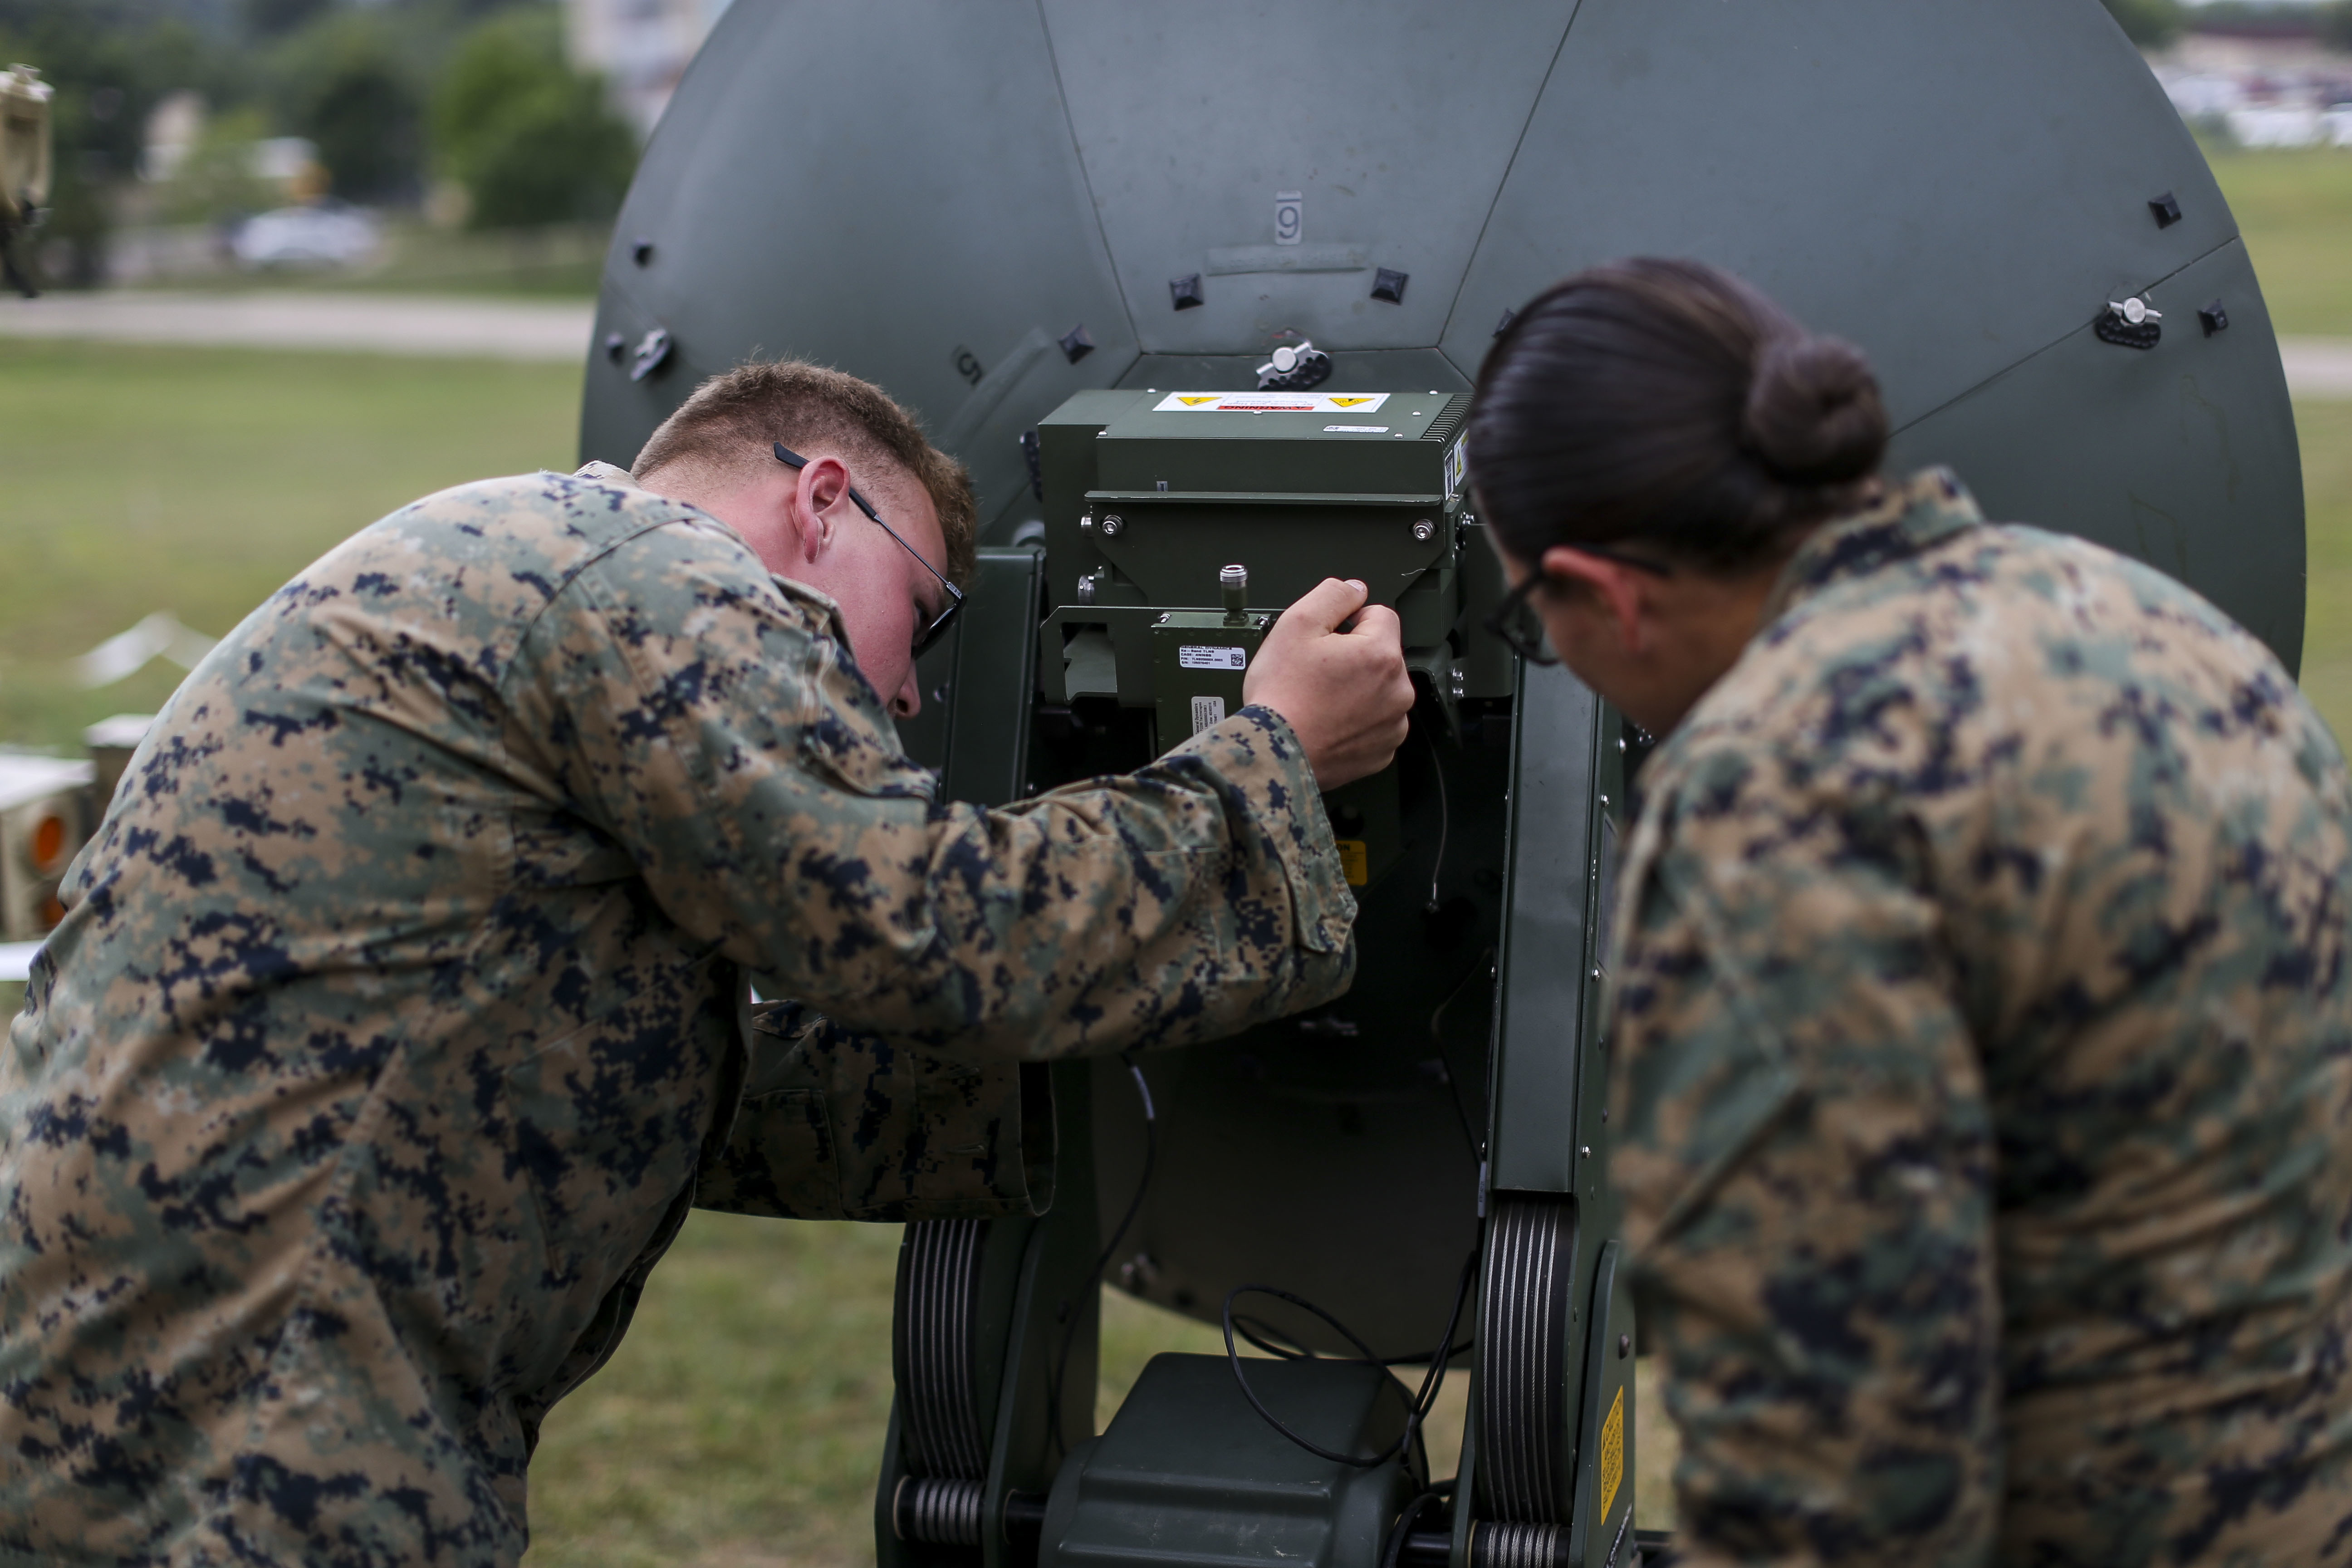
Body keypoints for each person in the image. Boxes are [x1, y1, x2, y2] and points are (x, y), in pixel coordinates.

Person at [0, 360, 1413, 1567]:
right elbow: (931, 936)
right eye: (922, 617)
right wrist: (1268, 763)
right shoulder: (656, 578)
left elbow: (598, 1067)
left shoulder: (511, 556)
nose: (913, 690)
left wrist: (1029, 1096)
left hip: (125, 1378)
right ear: (820, 503)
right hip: (256, 1422)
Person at [1465, 259, 2352, 1566]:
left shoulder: (1779, 790)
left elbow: (1833, 1464)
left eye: (1531, 616)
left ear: (1606, 593)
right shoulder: (2157, 626)